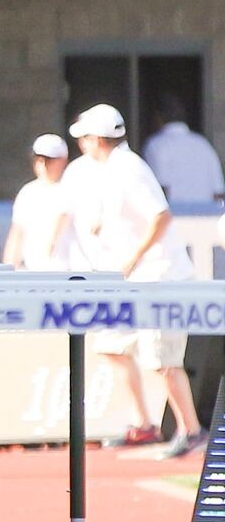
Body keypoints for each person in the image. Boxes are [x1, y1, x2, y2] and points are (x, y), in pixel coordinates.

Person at [64, 102, 205, 458]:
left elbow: (161, 217)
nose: (81, 145)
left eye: (85, 139)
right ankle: (144, 425)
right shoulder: (110, 170)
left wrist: (132, 258)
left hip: (159, 277)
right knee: (112, 346)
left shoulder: (129, 168)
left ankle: (191, 430)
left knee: (163, 359)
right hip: (132, 281)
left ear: (98, 139)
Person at [1, 134, 83, 271]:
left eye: (49, 160)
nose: (43, 165)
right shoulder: (27, 192)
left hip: (68, 271)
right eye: (39, 160)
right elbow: (17, 233)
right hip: (33, 271)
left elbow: (62, 218)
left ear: (63, 161)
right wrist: (8, 268)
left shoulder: (71, 188)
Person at [142, 94, 225, 207]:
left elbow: (159, 191)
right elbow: (219, 194)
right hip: (207, 220)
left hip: (174, 219)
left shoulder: (156, 145)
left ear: (158, 117)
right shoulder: (204, 145)